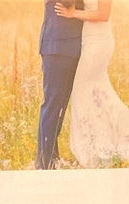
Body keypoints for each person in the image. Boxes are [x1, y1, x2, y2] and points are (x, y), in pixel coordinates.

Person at [54, 0, 129, 167]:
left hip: (98, 42)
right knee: (98, 95)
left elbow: (103, 15)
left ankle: (97, 145)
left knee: (82, 92)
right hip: (88, 41)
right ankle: (101, 140)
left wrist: (74, 14)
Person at [37, 0, 84, 169]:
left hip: (71, 46)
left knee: (60, 105)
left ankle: (52, 158)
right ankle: (44, 161)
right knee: (52, 104)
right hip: (56, 46)